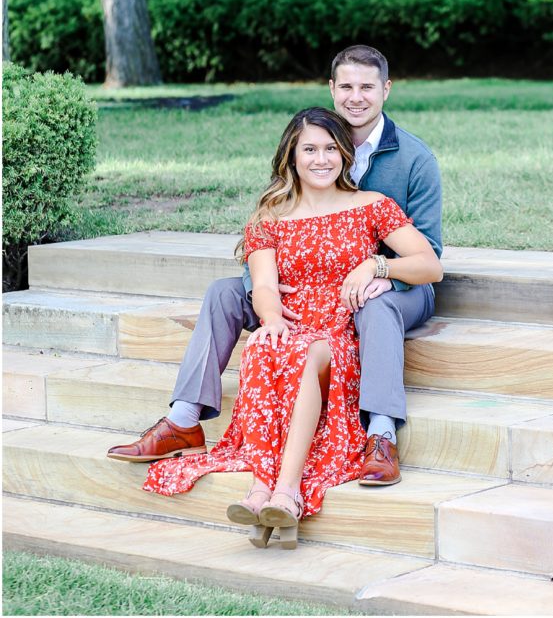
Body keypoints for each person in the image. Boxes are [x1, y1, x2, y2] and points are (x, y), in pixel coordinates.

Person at [108, 45, 443, 486]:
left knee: (373, 305)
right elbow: (268, 239)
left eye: (366, 86)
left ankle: (380, 435)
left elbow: (429, 255)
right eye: (346, 86)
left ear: (386, 89)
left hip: (395, 286)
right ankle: (183, 419)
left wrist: (379, 271)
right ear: (331, 89)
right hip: (303, 290)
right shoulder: (307, 146)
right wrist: (266, 295)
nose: (356, 96)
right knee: (223, 293)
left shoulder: (413, 160)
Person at [141, 107, 442, 548]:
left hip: (338, 334)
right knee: (268, 346)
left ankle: (279, 489)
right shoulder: (270, 217)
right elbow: (262, 284)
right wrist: (275, 320)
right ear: (292, 157)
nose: (321, 159)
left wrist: (375, 263)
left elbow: (429, 265)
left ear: (344, 154)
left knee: (311, 352)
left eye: (330, 149)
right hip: (294, 324)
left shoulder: (371, 207)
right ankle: (272, 494)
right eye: (310, 150)